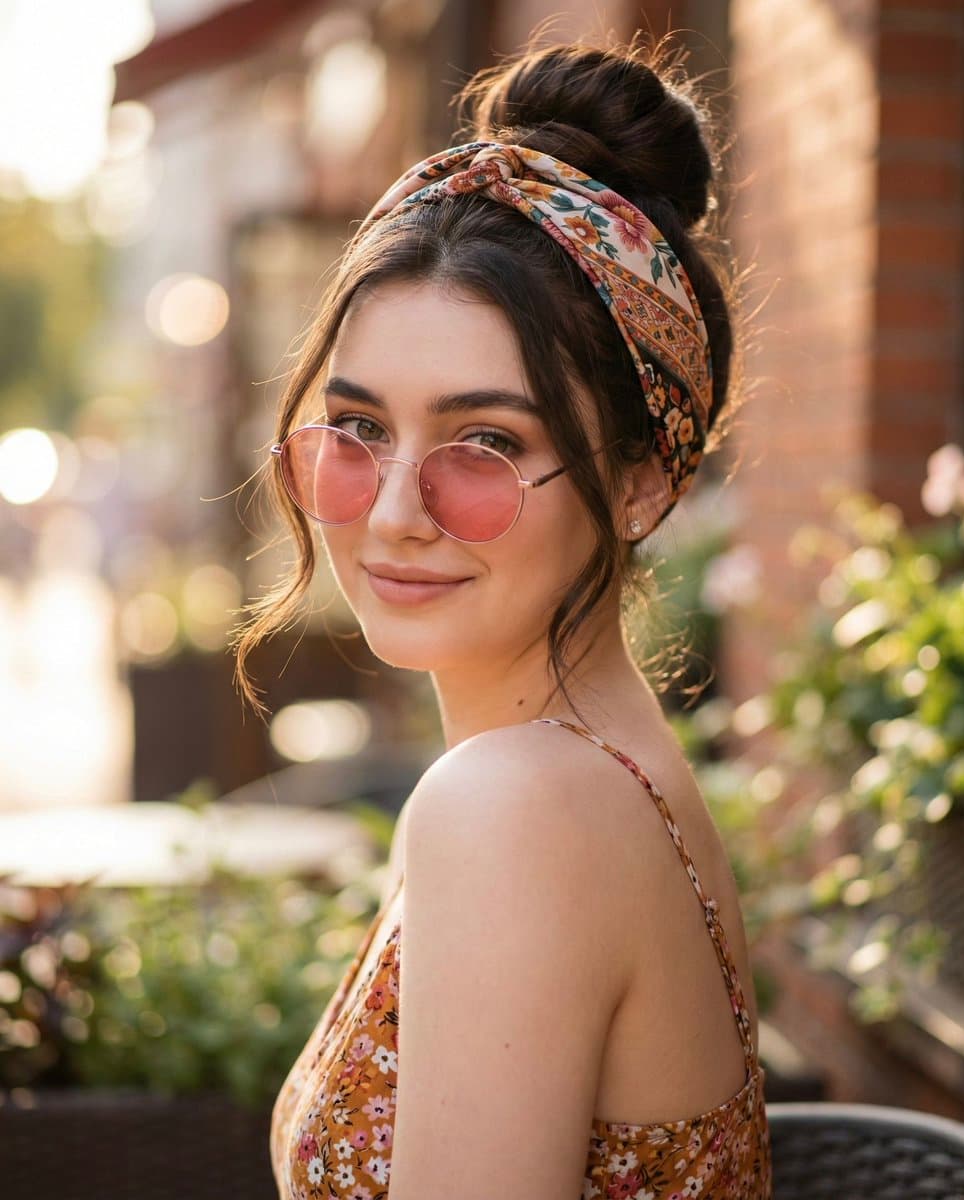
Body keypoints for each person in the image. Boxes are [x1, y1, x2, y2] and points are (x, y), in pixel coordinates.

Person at [239, 33, 773, 1200]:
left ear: (643, 483)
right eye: (358, 427)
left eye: (484, 444)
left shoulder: (513, 806)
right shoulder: (603, 770)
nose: (390, 515)